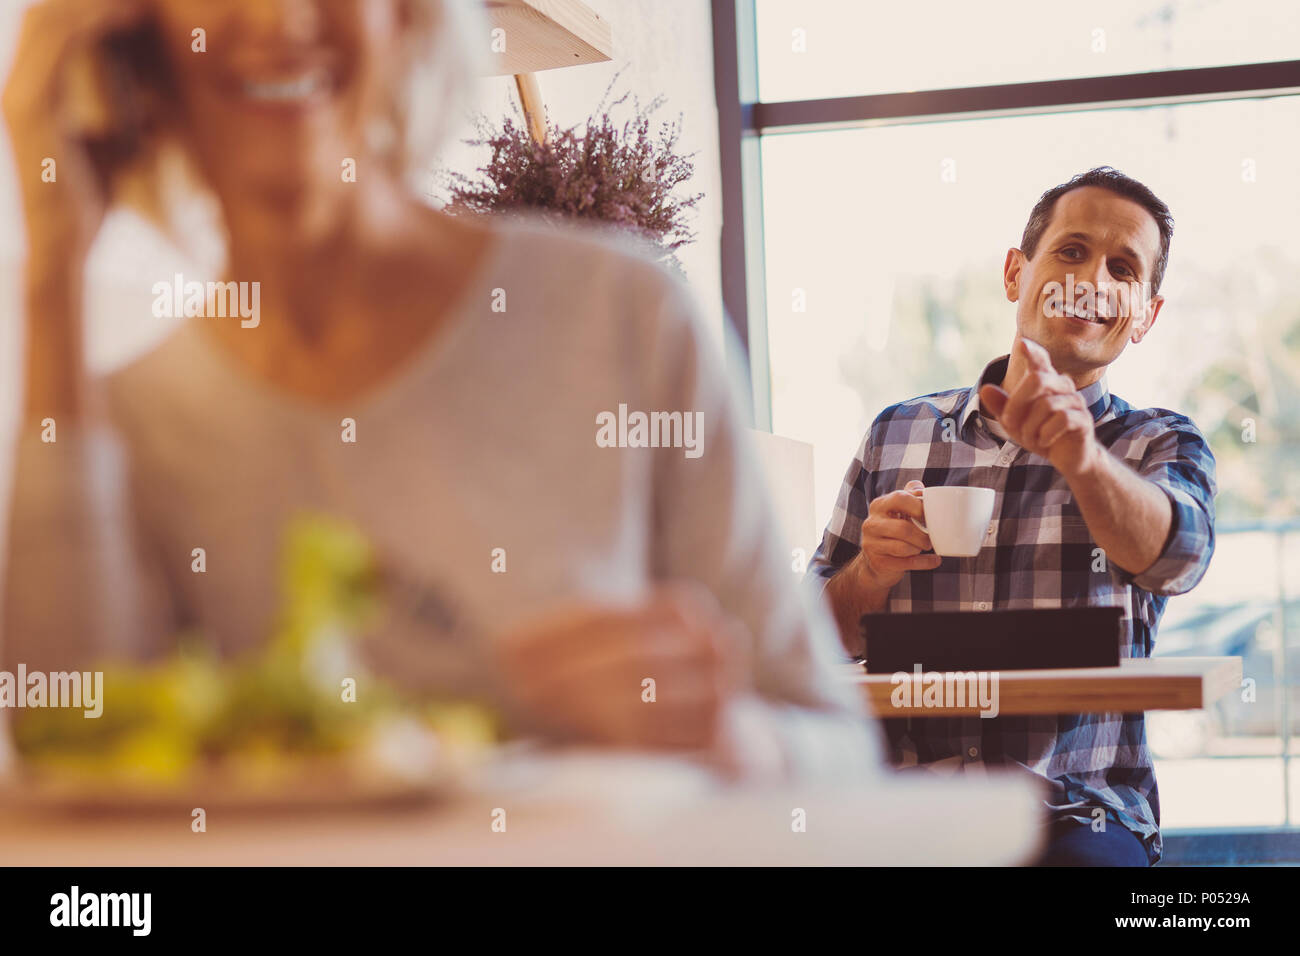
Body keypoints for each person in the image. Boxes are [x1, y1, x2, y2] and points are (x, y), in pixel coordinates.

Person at [1, 0, 879, 781]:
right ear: (132, 33)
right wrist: (53, 269)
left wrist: (720, 739)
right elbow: (69, 749)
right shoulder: (125, 416)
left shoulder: (624, 317)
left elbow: (838, 756)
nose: (277, 20)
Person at [808, 167, 1217, 864]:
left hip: (1075, 813)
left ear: (1144, 315)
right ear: (1014, 273)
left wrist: (1082, 455)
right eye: (1071, 251)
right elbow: (810, 638)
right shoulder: (897, 431)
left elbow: (1180, 560)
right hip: (902, 807)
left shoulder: (1160, 443)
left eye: (1123, 268)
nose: (1091, 278)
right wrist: (869, 572)